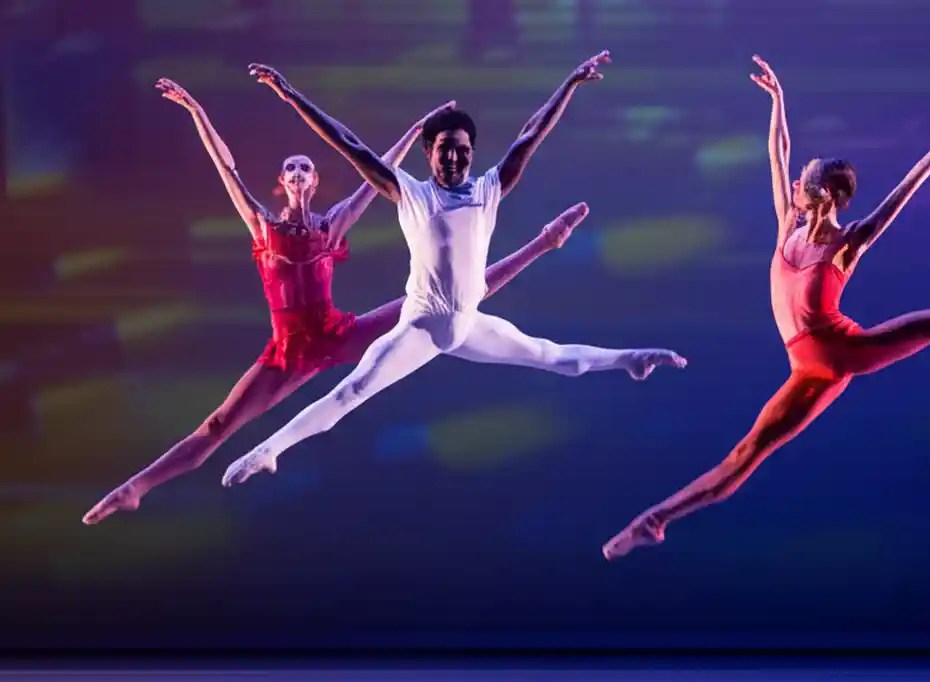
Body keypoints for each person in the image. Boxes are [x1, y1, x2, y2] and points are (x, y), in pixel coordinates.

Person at [601, 56, 930, 559]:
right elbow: (778, 154)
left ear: (826, 195)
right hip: (807, 370)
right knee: (744, 454)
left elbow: (904, 192)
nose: (794, 183)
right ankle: (653, 520)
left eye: (804, 181)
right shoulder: (786, 227)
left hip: (844, 352)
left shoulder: (847, 244)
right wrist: (778, 102)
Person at [83, 79, 585, 524]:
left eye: (306, 166)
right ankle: (135, 488)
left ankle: (542, 244)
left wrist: (415, 133)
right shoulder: (263, 225)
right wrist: (196, 111)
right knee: (218, 424)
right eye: (291, 168)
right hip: (287, 351)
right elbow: (226, 166)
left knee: (456, 298)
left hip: (337, 333)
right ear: (282, 183)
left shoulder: (333, 224)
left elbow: (373, 165)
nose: (299, 172)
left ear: (315, 181)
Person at [221, 54, 685, 487]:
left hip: (467, 324)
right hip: (421, 326)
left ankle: (631, 358)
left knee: (552, 355)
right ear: (429, 152)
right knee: (354, 389)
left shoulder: (488, 189)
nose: (454, 158)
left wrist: (570, 84)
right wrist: (291, 95)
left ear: (472, 151)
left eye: (462, 150)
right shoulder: (409, 193)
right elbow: (349, 143)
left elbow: (530, 134)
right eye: (444, 149)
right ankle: (270, 449)